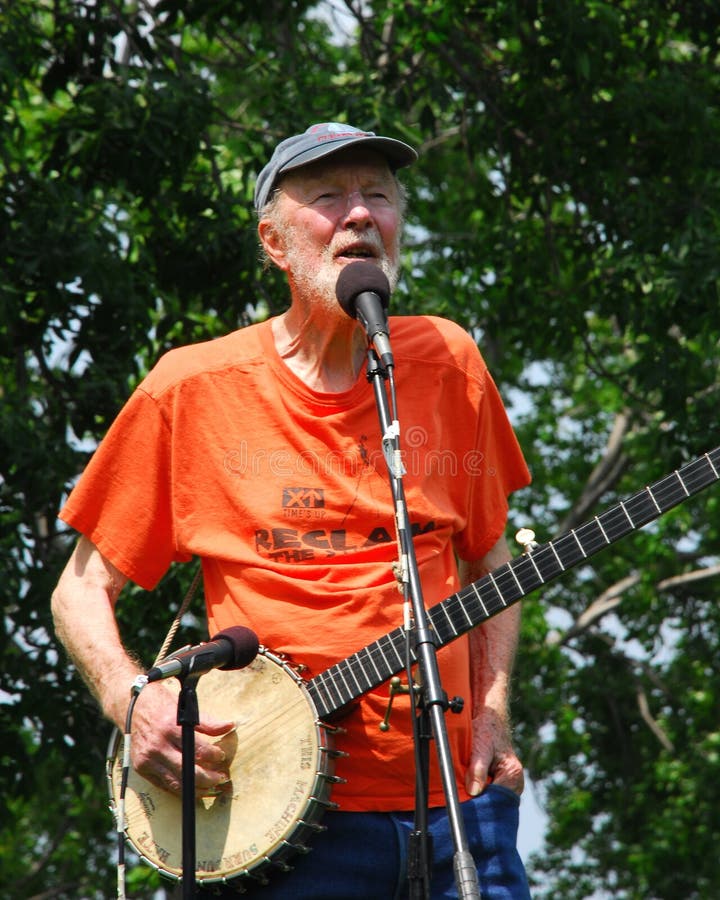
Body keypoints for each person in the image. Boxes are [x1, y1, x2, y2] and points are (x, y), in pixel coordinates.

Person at [51, 122, 532, 899]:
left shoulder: (449, 360)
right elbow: (79, 591)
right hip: (272, 813)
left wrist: (494, 714)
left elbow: (489, 561)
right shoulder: (193, 387)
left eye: (378, 194)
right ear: (275, 242)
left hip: (458, 801)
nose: (360, 214)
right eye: (329, 197)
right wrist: (133, 701)